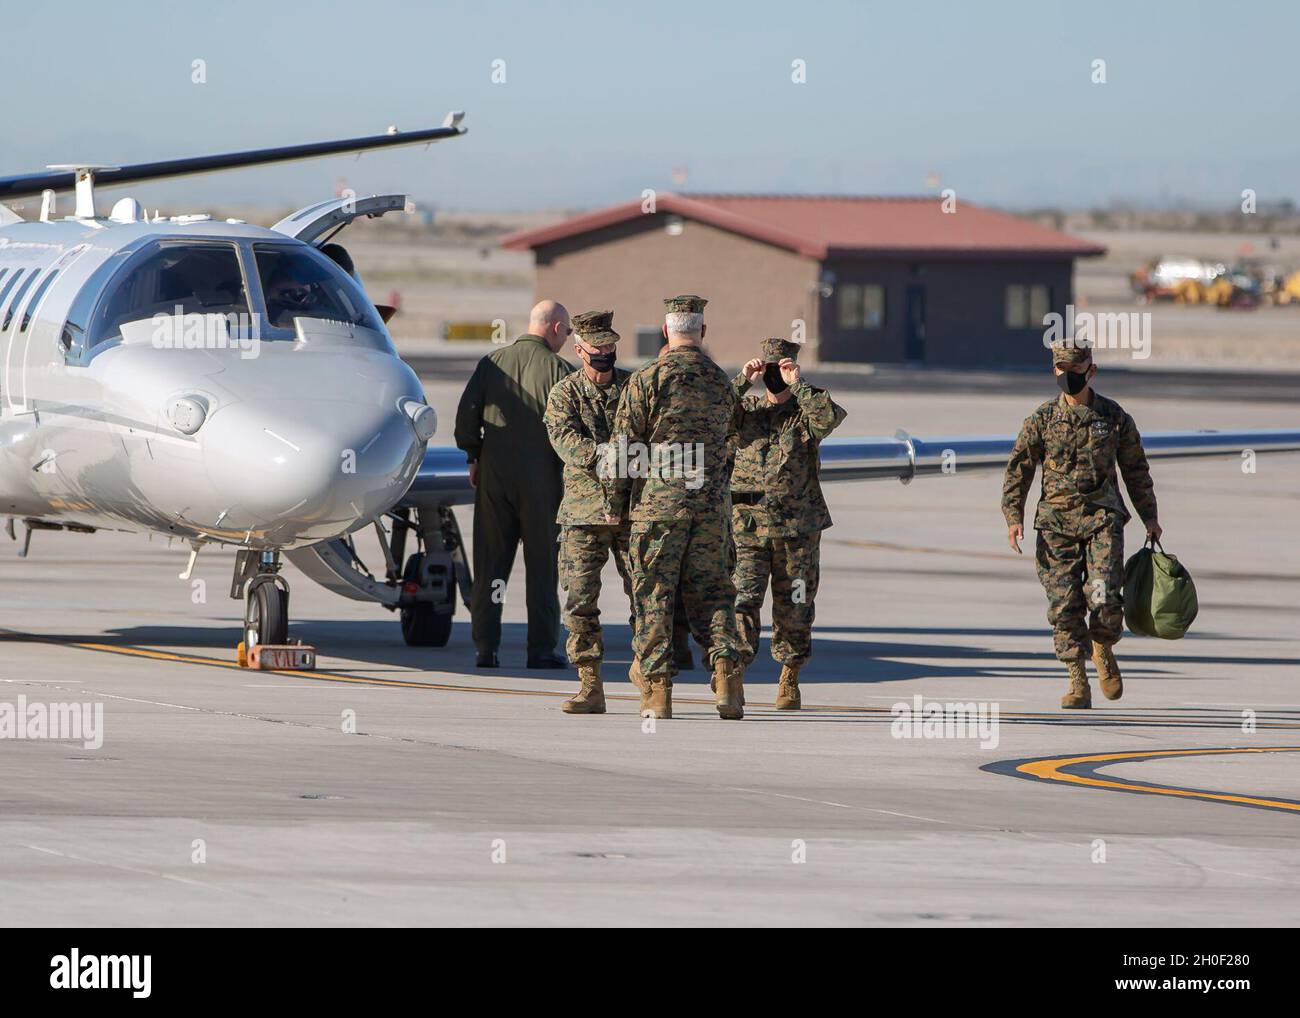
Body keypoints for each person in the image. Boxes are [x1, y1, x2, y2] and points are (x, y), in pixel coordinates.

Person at [607, 295, 748, 720]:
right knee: (714, 593)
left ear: (665, 331)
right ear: (703, 332)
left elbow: (622, 450)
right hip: (710, 508)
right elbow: (732, 446)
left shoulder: (647, 379)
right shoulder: (722, 382)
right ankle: (726, 676)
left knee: (654, 595)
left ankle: (657, 691)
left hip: (658, 507)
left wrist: (615, 504)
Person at [1002, 337, 1161, 708]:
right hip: (1055, 525)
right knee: (1064, 604)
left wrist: (1149, 516)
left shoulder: (1114, 417)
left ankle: (1102, 646)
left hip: (1102, 520)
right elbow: (1019, 470)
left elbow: (1136, 469)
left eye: (1075, 371)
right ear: (1053, 370)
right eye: (1062, 370)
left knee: (1104, 596)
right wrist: (1014, 517)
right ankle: (1077, 680)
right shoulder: (1042, 419)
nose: (1068, 377)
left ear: (1091, 370)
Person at [454, 300, 574, 668]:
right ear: (555, 328)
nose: (567, 339)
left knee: (492, 566)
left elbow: (465, 417)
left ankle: (486, 648)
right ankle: (540, 650)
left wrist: (474, 456)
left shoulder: (492, 364)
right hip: (544, 483)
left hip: (495, 479)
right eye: (567, 332)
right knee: (542, 568)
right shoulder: (561, 371)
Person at [731, 338, 847, 710]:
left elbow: (829, 418)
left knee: (795, 604)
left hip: (797, 529)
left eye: (779, 368)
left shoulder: (805, 413)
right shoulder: (746, 410)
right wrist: (741, 380)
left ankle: (789, 677)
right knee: (742, 600)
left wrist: (797, 383)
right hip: (748, 526)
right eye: (768, 369)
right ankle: (733, 675)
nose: (773, 377)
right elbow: (711, 417)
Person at [544, 311, 633, 713]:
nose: (604, 353)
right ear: (578, 349)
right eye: (596, 347)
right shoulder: (564, 394)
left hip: (633, 512)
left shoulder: (635, 388)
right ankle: (590, 685)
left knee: (649, 599)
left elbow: (656, 441)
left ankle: (650, 678)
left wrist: (621, 456)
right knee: (580, 601)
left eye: (609, 345)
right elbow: (570, 447)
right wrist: (619, 454)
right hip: (583, 515)